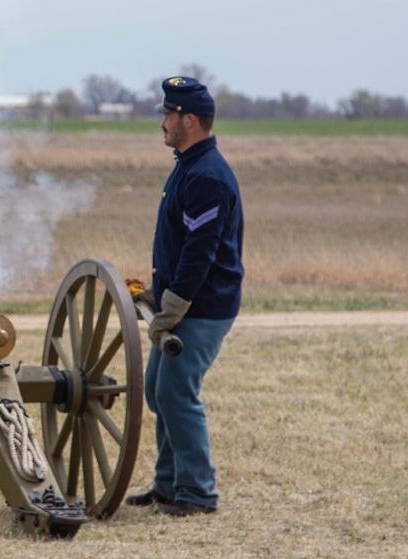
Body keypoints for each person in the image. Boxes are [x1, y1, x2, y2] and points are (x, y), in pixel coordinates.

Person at [123, 76, 245, 517]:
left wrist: (171, 307)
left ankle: (198, 493)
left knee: (177, 394)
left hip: (202, 306)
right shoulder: (189, 165)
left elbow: (201, 252)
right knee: (158, 390)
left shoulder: (207, 176)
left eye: (168, 115)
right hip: (184, 298)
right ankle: (169, 485)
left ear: (188, 120)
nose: (162, 123)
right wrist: (159, 292)